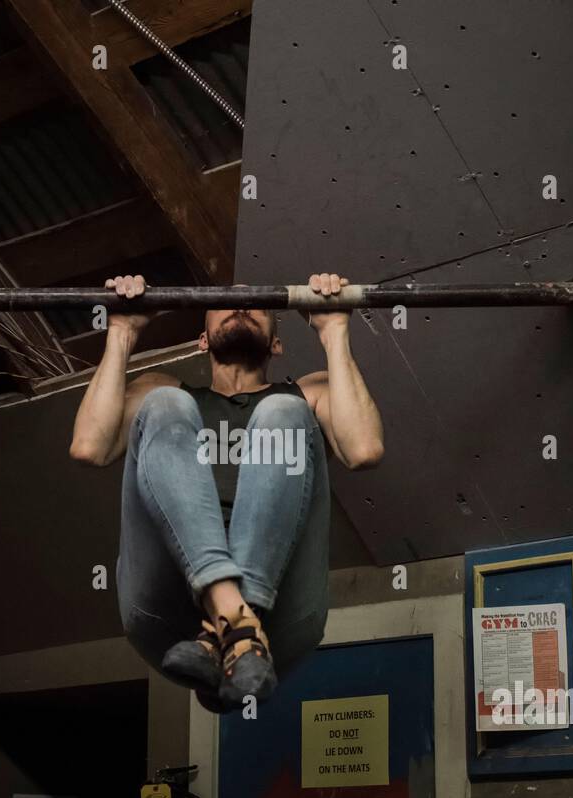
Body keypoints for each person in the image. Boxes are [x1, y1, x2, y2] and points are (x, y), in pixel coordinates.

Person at [69, 273, 384, 712]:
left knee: (283, 410)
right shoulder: (166, 394)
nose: (241, 306)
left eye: (257, 303)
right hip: (170, 614)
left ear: (277, 344)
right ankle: (238, 623)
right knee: (163, 404)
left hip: (282, 615)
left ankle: (237, 620)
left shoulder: (306, 395)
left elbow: (364, 449)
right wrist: (122, 332)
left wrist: (334, 331)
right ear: (202, 339)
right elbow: (90, 446)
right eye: (224, 301)